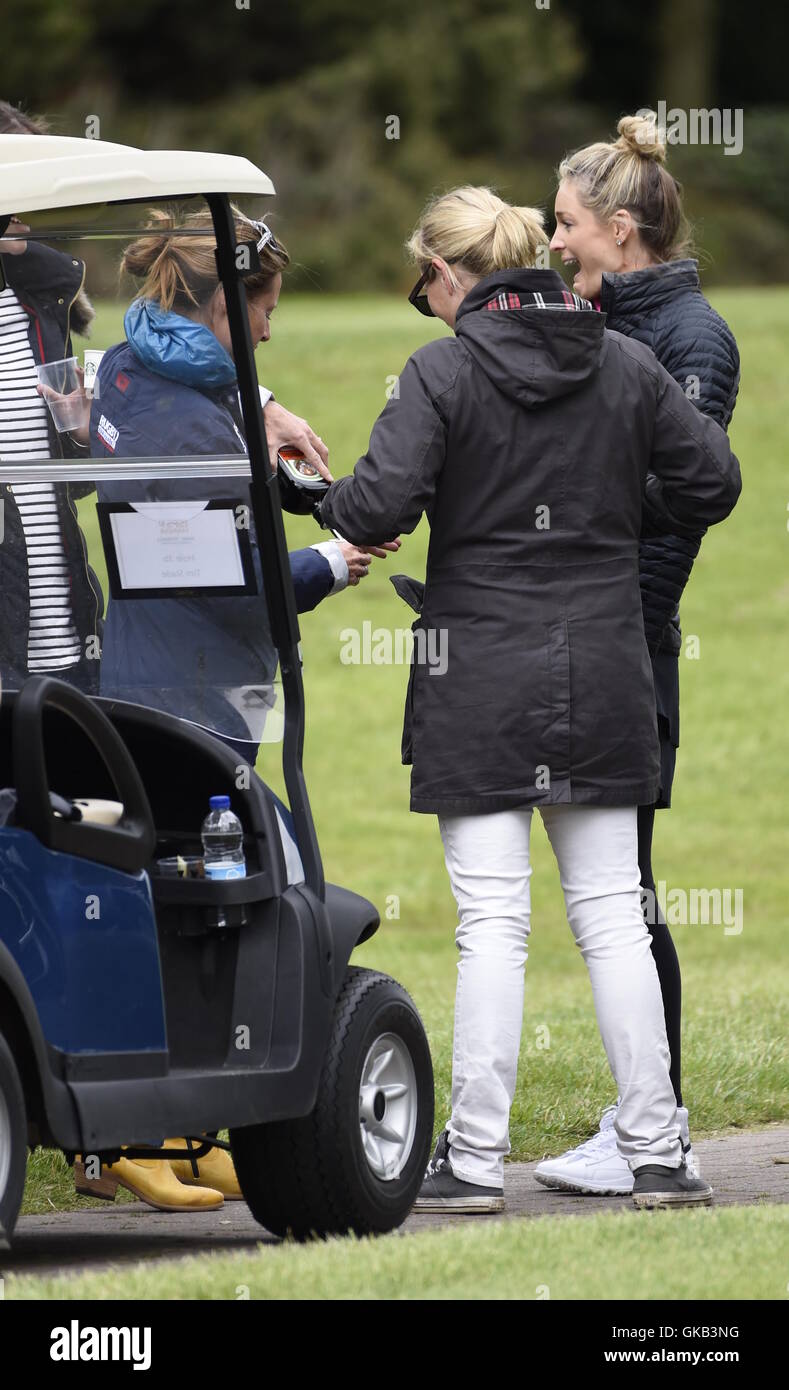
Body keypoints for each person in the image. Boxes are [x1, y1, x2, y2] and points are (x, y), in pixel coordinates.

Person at [319, 186, 741, 1212]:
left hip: (482, 671)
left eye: (427, 282)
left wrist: (308, 494)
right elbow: (713, 484)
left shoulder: (444, 370)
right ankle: (657, 1151)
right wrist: (613, 519)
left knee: (493, 924)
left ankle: (472, 1159)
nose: (427, 301)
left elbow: (376, 506)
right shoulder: (628, 361)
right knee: (614, 921)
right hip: (602, 665)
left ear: (456, 275)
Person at [77, 206, 397, 1213]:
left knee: (190, 894)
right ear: (221, 304)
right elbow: (236, 581)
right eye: (261, 311)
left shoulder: (137, 369)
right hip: (188, 699)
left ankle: (190, 1126)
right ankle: (183, 1121)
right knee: (239, 899)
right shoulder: (184, 414)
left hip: (150, 680)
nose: (268, 333)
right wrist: (334, 563)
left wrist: (265, 420)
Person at [534, 112, 741, 1196]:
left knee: (631, 891)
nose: (552, 240)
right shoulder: (598, 318)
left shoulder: (693, 340)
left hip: (625, 641)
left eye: (565, 224)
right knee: (618, 888)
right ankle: (643, 1119)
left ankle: (656, 1130)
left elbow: (681, 505)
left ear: (620, 228)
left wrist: (581, 552)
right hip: (586, 629)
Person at [0, 102, 103, 695]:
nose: (28, 215)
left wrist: (85, 435)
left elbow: (73, 482)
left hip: (67, 637)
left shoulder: (44, 301)